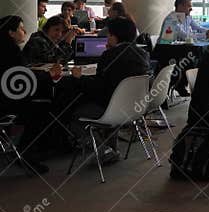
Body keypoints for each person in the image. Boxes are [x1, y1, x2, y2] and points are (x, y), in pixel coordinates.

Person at [69, 17, 150, 161]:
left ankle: (104, 151)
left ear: (114, 36)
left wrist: (79, 77)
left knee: (73, 114)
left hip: (111, 109)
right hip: (136, 108)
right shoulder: (143, 54)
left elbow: (98, 88)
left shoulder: (109, 56)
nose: (107, 37)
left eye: (109, 34)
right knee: (113, 100)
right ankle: (111, 147)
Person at [0, 15, 61, 174]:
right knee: (42, 108)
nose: (25, 31)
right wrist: (49, 75)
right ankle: (26, 153)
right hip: (5, 104)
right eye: (21, 28)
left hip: (6, 97)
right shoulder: (11, 51)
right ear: (11, 33)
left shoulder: (5, 49)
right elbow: (24, 79)